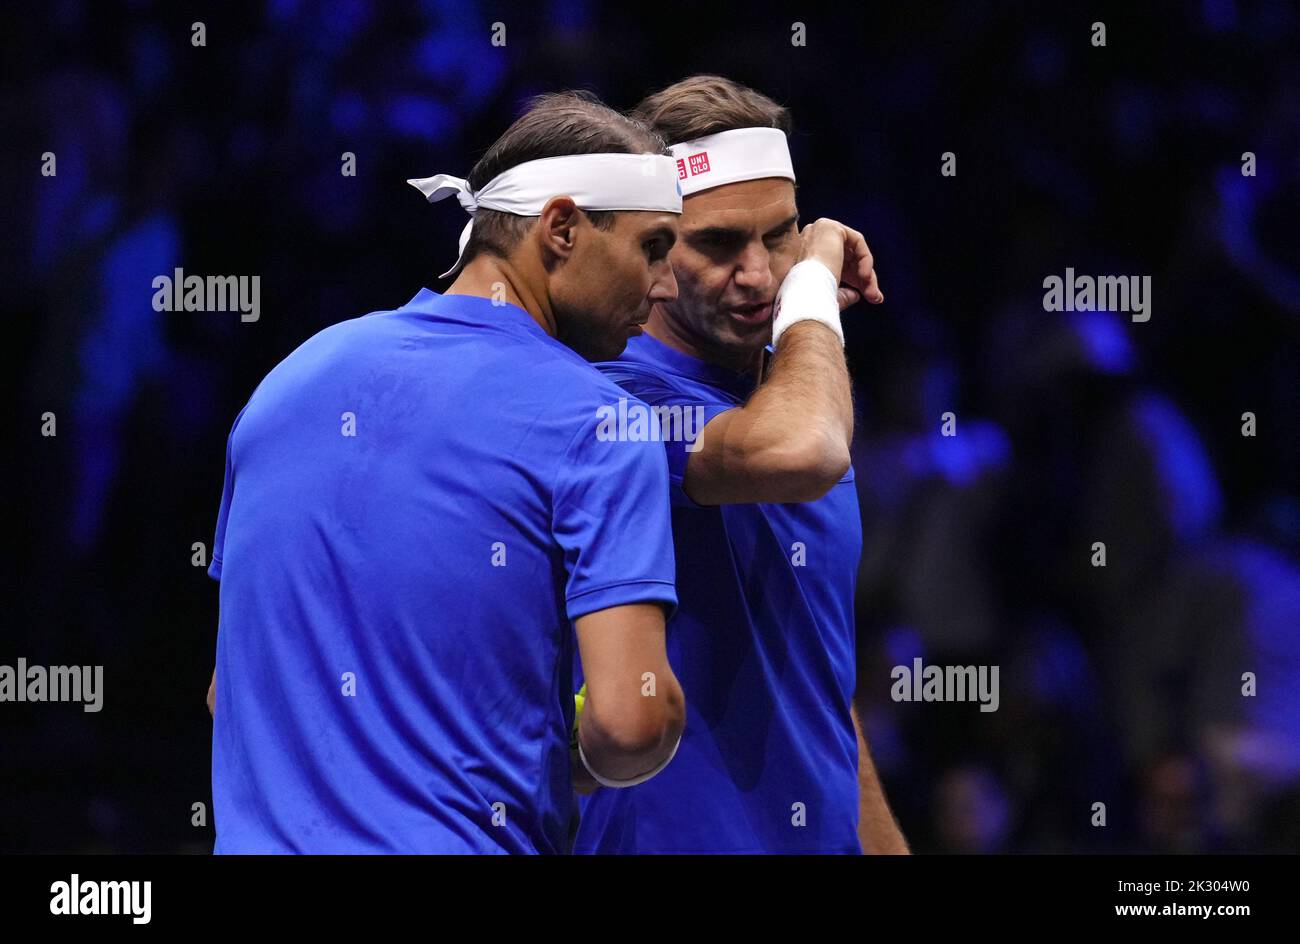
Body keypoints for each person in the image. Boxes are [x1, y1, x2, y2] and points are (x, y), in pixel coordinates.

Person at [206, 91, 686, 853]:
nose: (665, 287)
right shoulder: (604, 419)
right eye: (654, 248)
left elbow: (226, 692)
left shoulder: (287, 381)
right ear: (561, 228)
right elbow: (629, 725)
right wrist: (641, 720)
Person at [574, 76, 908, 853]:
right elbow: (798, 451)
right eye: (718, 244)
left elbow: (816, 683)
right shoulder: (605, 401)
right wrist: (815, 287)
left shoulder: (797, 395)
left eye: (783, 236)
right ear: (652, 246)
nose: (759, 275)